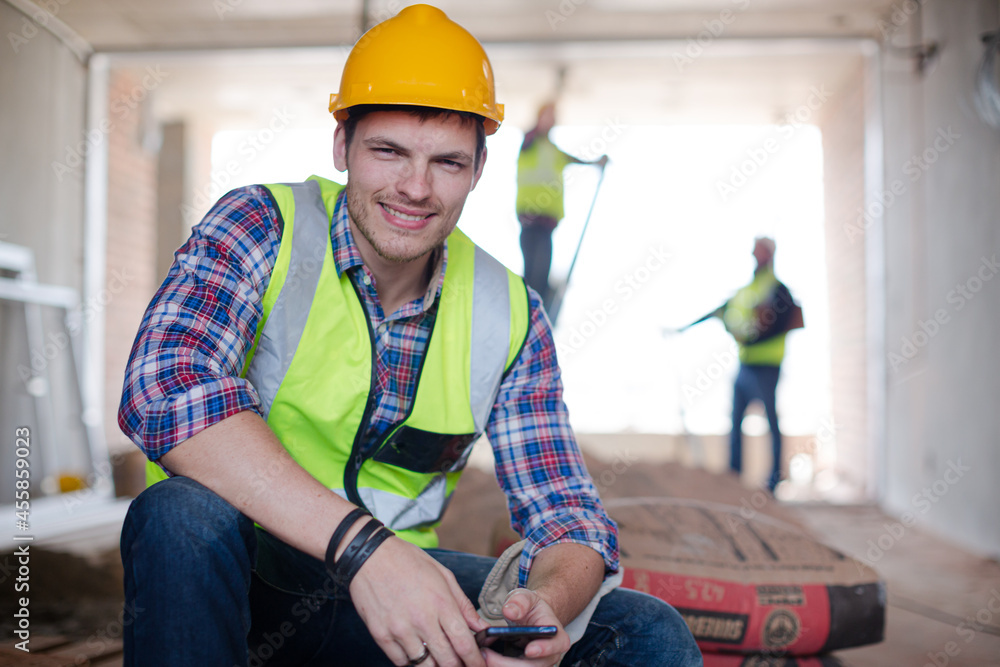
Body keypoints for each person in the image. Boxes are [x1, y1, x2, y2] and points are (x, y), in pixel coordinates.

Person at [117, 5, 701, 667]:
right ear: (342, 144)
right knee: (179, 514)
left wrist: (545, 606)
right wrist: (364, 549)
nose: (416, 188)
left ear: (479, 168)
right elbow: (164, 389)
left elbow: (568, 513)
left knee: (646, 633)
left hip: (400, 610)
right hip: (243, 578)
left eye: (447, 162)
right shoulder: (262, 226)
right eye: (388, 151)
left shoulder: (508, 310)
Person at [681, 237, 800, 492]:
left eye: (760, 252)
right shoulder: (746, 291)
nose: (755, 256)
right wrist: (683, 329)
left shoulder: (777, 289)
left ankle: (774, 481)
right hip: (745, 365)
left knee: (771, 422)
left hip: (768, 366)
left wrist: (749, 337)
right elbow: (718, 311)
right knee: (736, 422)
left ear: (769, 255)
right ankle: (734, 479)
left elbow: (780, 323)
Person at [516, 102, 607, 312]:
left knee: (542, 274)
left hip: (547, 222)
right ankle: (529, 312)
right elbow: (533, 134)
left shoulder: (552, 150)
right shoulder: (529, 142)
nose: (552, 120)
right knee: (534, 274)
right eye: (547, 116)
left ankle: (541, 308)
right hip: (531, 219)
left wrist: (596, 163)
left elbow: (573, 159)